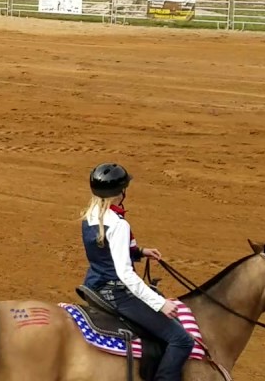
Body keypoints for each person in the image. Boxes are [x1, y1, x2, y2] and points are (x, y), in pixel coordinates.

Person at [81, 163, 194, 381]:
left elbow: (104, 250)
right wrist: (160, 303)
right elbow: (125, 275)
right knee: (181, 340)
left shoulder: (90, 214)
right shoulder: (118, 224)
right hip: (118, 294)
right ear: (120, 192)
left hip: (94, 285)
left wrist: (139, 252)